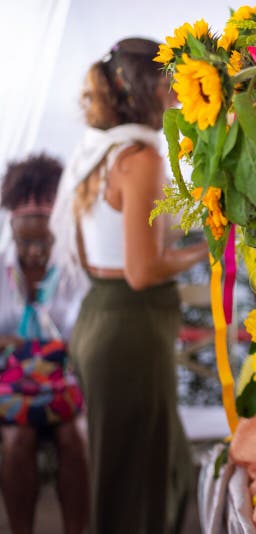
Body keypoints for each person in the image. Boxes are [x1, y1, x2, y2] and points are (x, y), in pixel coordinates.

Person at [49, 37, 208, 534]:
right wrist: (213, 245)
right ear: (148, 87)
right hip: (129, 326)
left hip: (100, 316)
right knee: (137, 480)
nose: (179, 92)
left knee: (147, 465)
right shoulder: (139, 157)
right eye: (171, 81)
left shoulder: (99, 149)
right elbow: (142, 271)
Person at [0, 154, 89, 534]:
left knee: (74, 438)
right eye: (27, 201)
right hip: (10, 387)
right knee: (18, 439)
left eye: (45, 201)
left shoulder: (75, 268)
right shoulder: (3, 270)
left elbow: (85, 334)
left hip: (66, 386)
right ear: (11, 212)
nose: (35, 211)